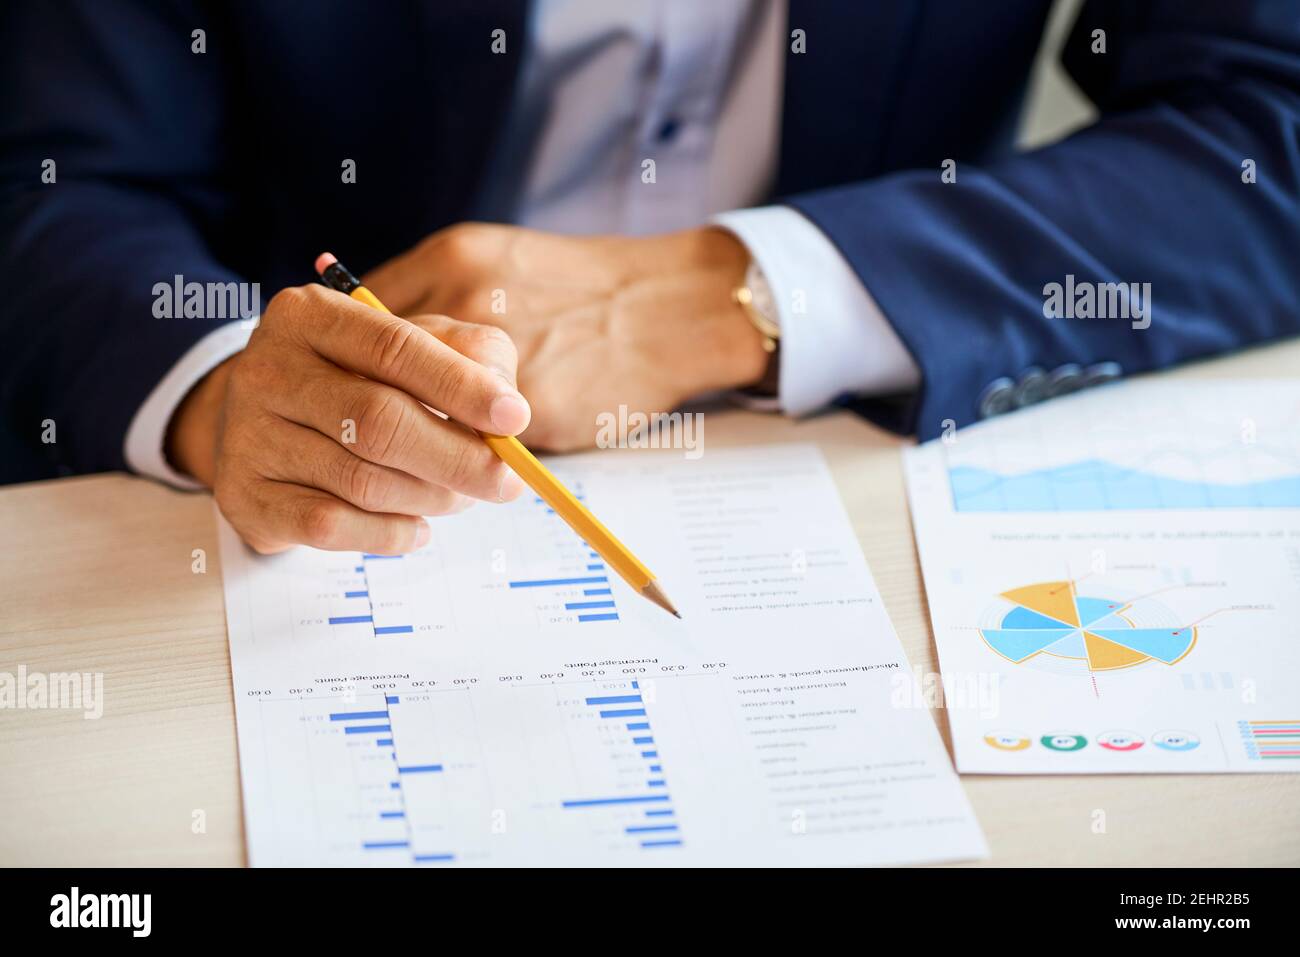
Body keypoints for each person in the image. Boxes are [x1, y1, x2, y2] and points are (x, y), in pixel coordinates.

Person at [3, 1, 1297, 555]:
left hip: (865, 445)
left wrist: (746, 290)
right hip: (321, 496)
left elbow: (1266, 128)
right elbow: (64, 175)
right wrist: (224, 386)